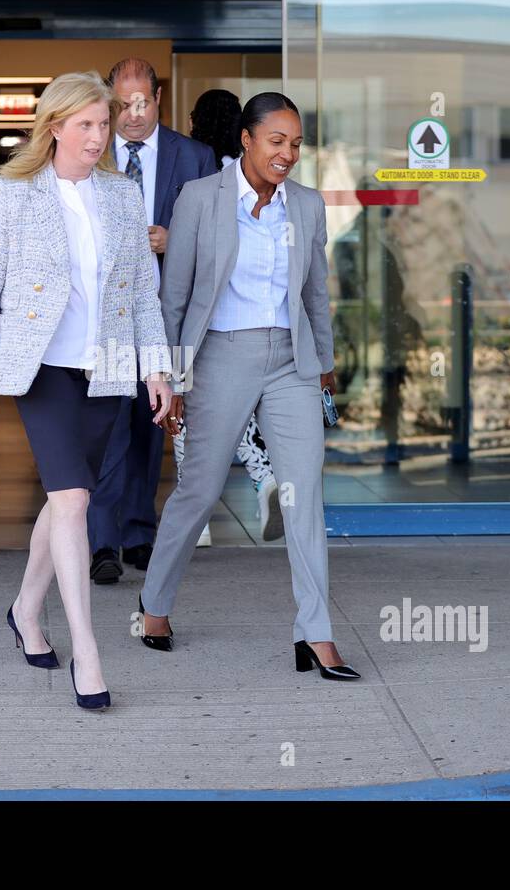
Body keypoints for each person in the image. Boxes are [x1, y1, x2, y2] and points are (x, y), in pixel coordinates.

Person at [0, 70, 174, 709]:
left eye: (104, 124)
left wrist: (156, 369)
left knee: (63, 502)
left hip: (106, 368)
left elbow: (140, 293)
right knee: (76, 499)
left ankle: (26, 608)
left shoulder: (122, 194)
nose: (98, 135)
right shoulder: (13, 190)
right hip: (44, 369)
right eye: (85, 124)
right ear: (55, 127)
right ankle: (88, 650)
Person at [138, 92, 360, 681]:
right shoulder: (200, 198)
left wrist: (325, 366)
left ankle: (316, 633)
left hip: (291, 361)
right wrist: (174, 377)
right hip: (221, 356)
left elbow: (315, 294)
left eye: (296, 143)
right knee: (201, 488)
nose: (288, 153)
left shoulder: (307, 206)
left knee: (304, 492)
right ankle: (154, 602)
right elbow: (175, 296)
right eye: (276, 141)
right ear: (246, 138)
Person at [86, 57, 216, 585]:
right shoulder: (91, 155)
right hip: (110, 319)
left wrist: (174, 241)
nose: (132, 115)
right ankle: (102, 542)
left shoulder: (197, 156)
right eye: (122, 104)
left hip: (169, 319)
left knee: (152, 422)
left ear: (159, 99)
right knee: (109, 426)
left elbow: (219, 236)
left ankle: (140, 531)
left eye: (141, 102)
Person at [179, 88, 283, 546]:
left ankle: (197, 517)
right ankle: (264, 479)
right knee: (236, 413)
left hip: (202, 314)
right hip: (245, 313)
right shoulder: (244, 173)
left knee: (188, 415)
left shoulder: (199, 175)